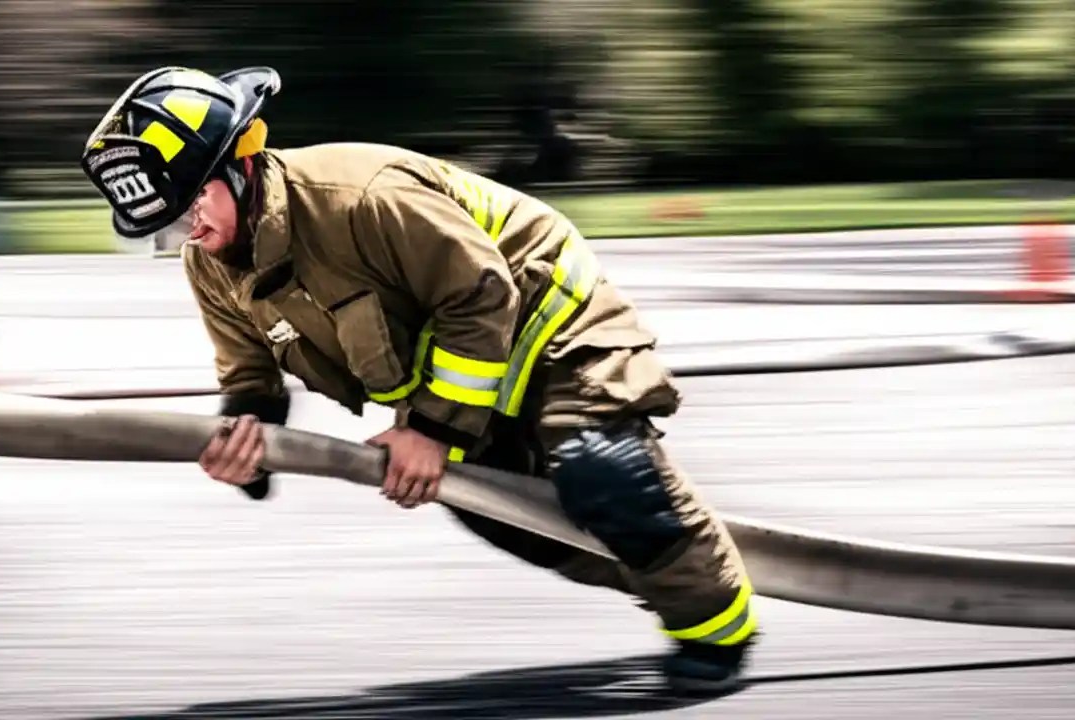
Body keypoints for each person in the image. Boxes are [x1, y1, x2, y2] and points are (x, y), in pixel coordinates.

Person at [80, 66, 759, 694]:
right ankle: (662, 567)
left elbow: (481, 294)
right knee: (500, 511)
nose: (188, 232)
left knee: (599, 469)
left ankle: (717, 629)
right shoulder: (211, 265)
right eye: (168, 225)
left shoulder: (360, 199)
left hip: (550, 318)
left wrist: (431, 429)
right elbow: (250, 377)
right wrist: (249, 455)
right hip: (458, 365)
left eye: (191, 204)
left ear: (241, 164)